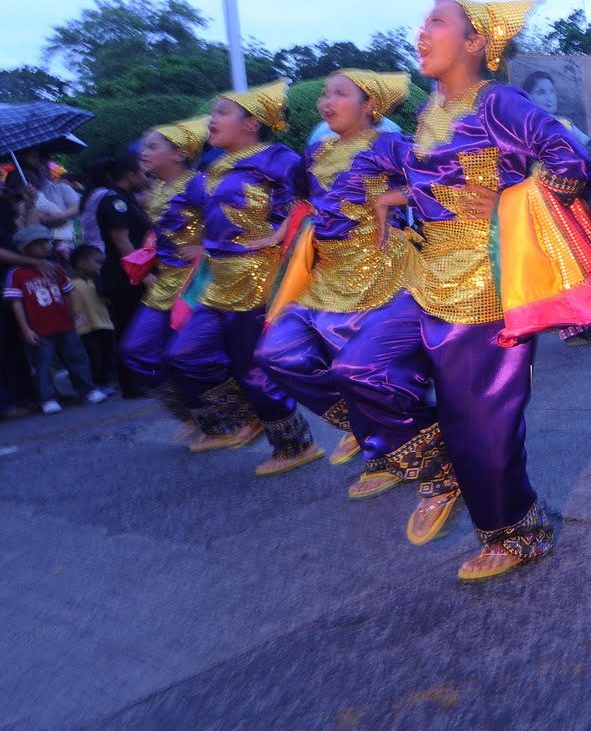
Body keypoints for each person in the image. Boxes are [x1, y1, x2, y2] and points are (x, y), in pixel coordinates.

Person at [342, 0, 591, 581]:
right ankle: (441, 467)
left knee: (480, 422)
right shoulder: (431, 109)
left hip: (485, 282)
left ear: (476, 42)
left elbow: (572, 161)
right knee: (359, 366)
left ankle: (514, 534)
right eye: (421, 23)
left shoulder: (499, 101)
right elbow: (439, 182)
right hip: (428, 274)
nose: (421, 34)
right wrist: (393, 196)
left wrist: (513, 198)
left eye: (436, 22)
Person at [254, 71, 443, 515]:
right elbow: (306, 202)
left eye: (340, 93)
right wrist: (278, 233)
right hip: (326, 273)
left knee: (357, 368)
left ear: (369, 105)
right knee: (276, 354)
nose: (326, 100)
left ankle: (389, 452)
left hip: (380, 270)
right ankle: (369, 428)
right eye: (324, 93)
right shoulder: (316, 149)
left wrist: (388, 201)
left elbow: (438, 180)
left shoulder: (387, 145)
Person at [167, 81, 323, 473]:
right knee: (184, 354)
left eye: (221, 112)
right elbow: (188, 214)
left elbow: (309, 203)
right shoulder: (211, 169)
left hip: (258, 276)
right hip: (215, 278)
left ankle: (294, 444)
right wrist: (196, 242)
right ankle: (242, 419)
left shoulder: (278, 159)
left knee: (252, 368)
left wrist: (278, 233)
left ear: (251, 123)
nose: (211, 120)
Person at [120, 118, 208, 438]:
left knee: (192, 355)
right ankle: (191, 414)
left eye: (152, 146)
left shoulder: (199, 184)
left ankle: (227, 416)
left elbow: (235, 223)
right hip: (164, 282)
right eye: (144, 146)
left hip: (197, 283)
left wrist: (205, 248)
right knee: (135, 350)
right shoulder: (156, 187)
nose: (143, 152)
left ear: (178, 153)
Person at [5, 225, 108, 414]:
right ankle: (47, 398)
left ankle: (87, 389)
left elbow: (67, 293)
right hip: (38, 329)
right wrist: (26, 329)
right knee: (42, 365)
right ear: (24, 248)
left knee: (77, 357)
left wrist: (71, 315)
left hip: (64, 323)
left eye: (47, 241)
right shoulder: (16, 273)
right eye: (38, 243)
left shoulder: (56, 268)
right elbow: (16, 303)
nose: (46, 246)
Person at [94, 155, 153, 390]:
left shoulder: (126, 198)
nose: (144, 176)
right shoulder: (114, 202)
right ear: (130, 175)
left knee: (139, 324)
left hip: (133, 271)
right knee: (130, 326)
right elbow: (122, 241)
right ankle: (130, 382)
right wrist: (142, 273)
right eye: (141, 172)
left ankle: (143, 376)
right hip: (124, 275)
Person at [69, 244, 116, 394]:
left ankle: (104, 382)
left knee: (107, 355)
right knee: (93, 357)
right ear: (82, 263)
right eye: (98, 262)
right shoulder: (69, 282)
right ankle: (93, 385)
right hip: (84, 328)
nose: (101, 266)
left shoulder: (100, 281)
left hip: (104, 324)